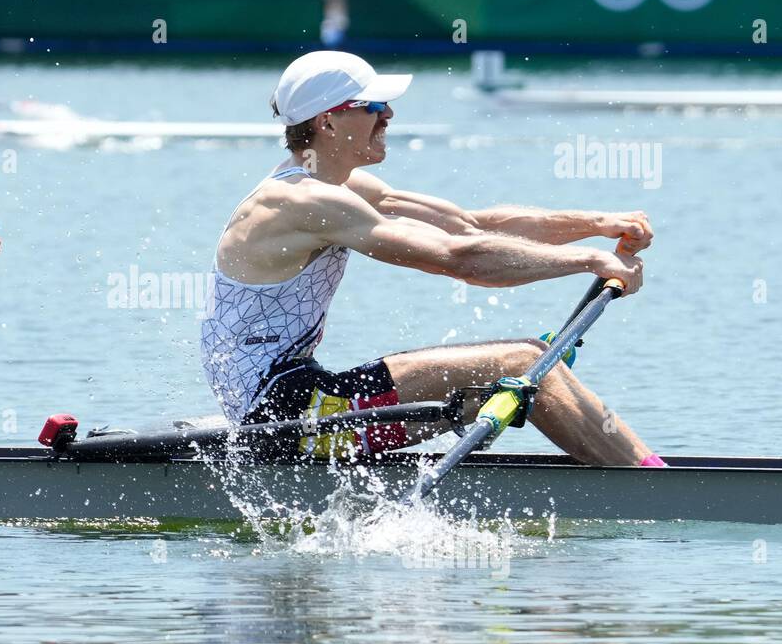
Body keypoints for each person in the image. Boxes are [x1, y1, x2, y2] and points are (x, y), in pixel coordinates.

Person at [200, 50, 665, 467]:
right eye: (375, 107)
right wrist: (590, 261)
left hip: (296, 399)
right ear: (328, 123)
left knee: (533, 361)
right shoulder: (299, 202)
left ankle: (642, 474)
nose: (389, 116)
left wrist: (597, 223)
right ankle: (656, 488)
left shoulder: (334, 184)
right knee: (522, 362)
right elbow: (457, 260)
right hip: (284, 418)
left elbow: (469, 226)